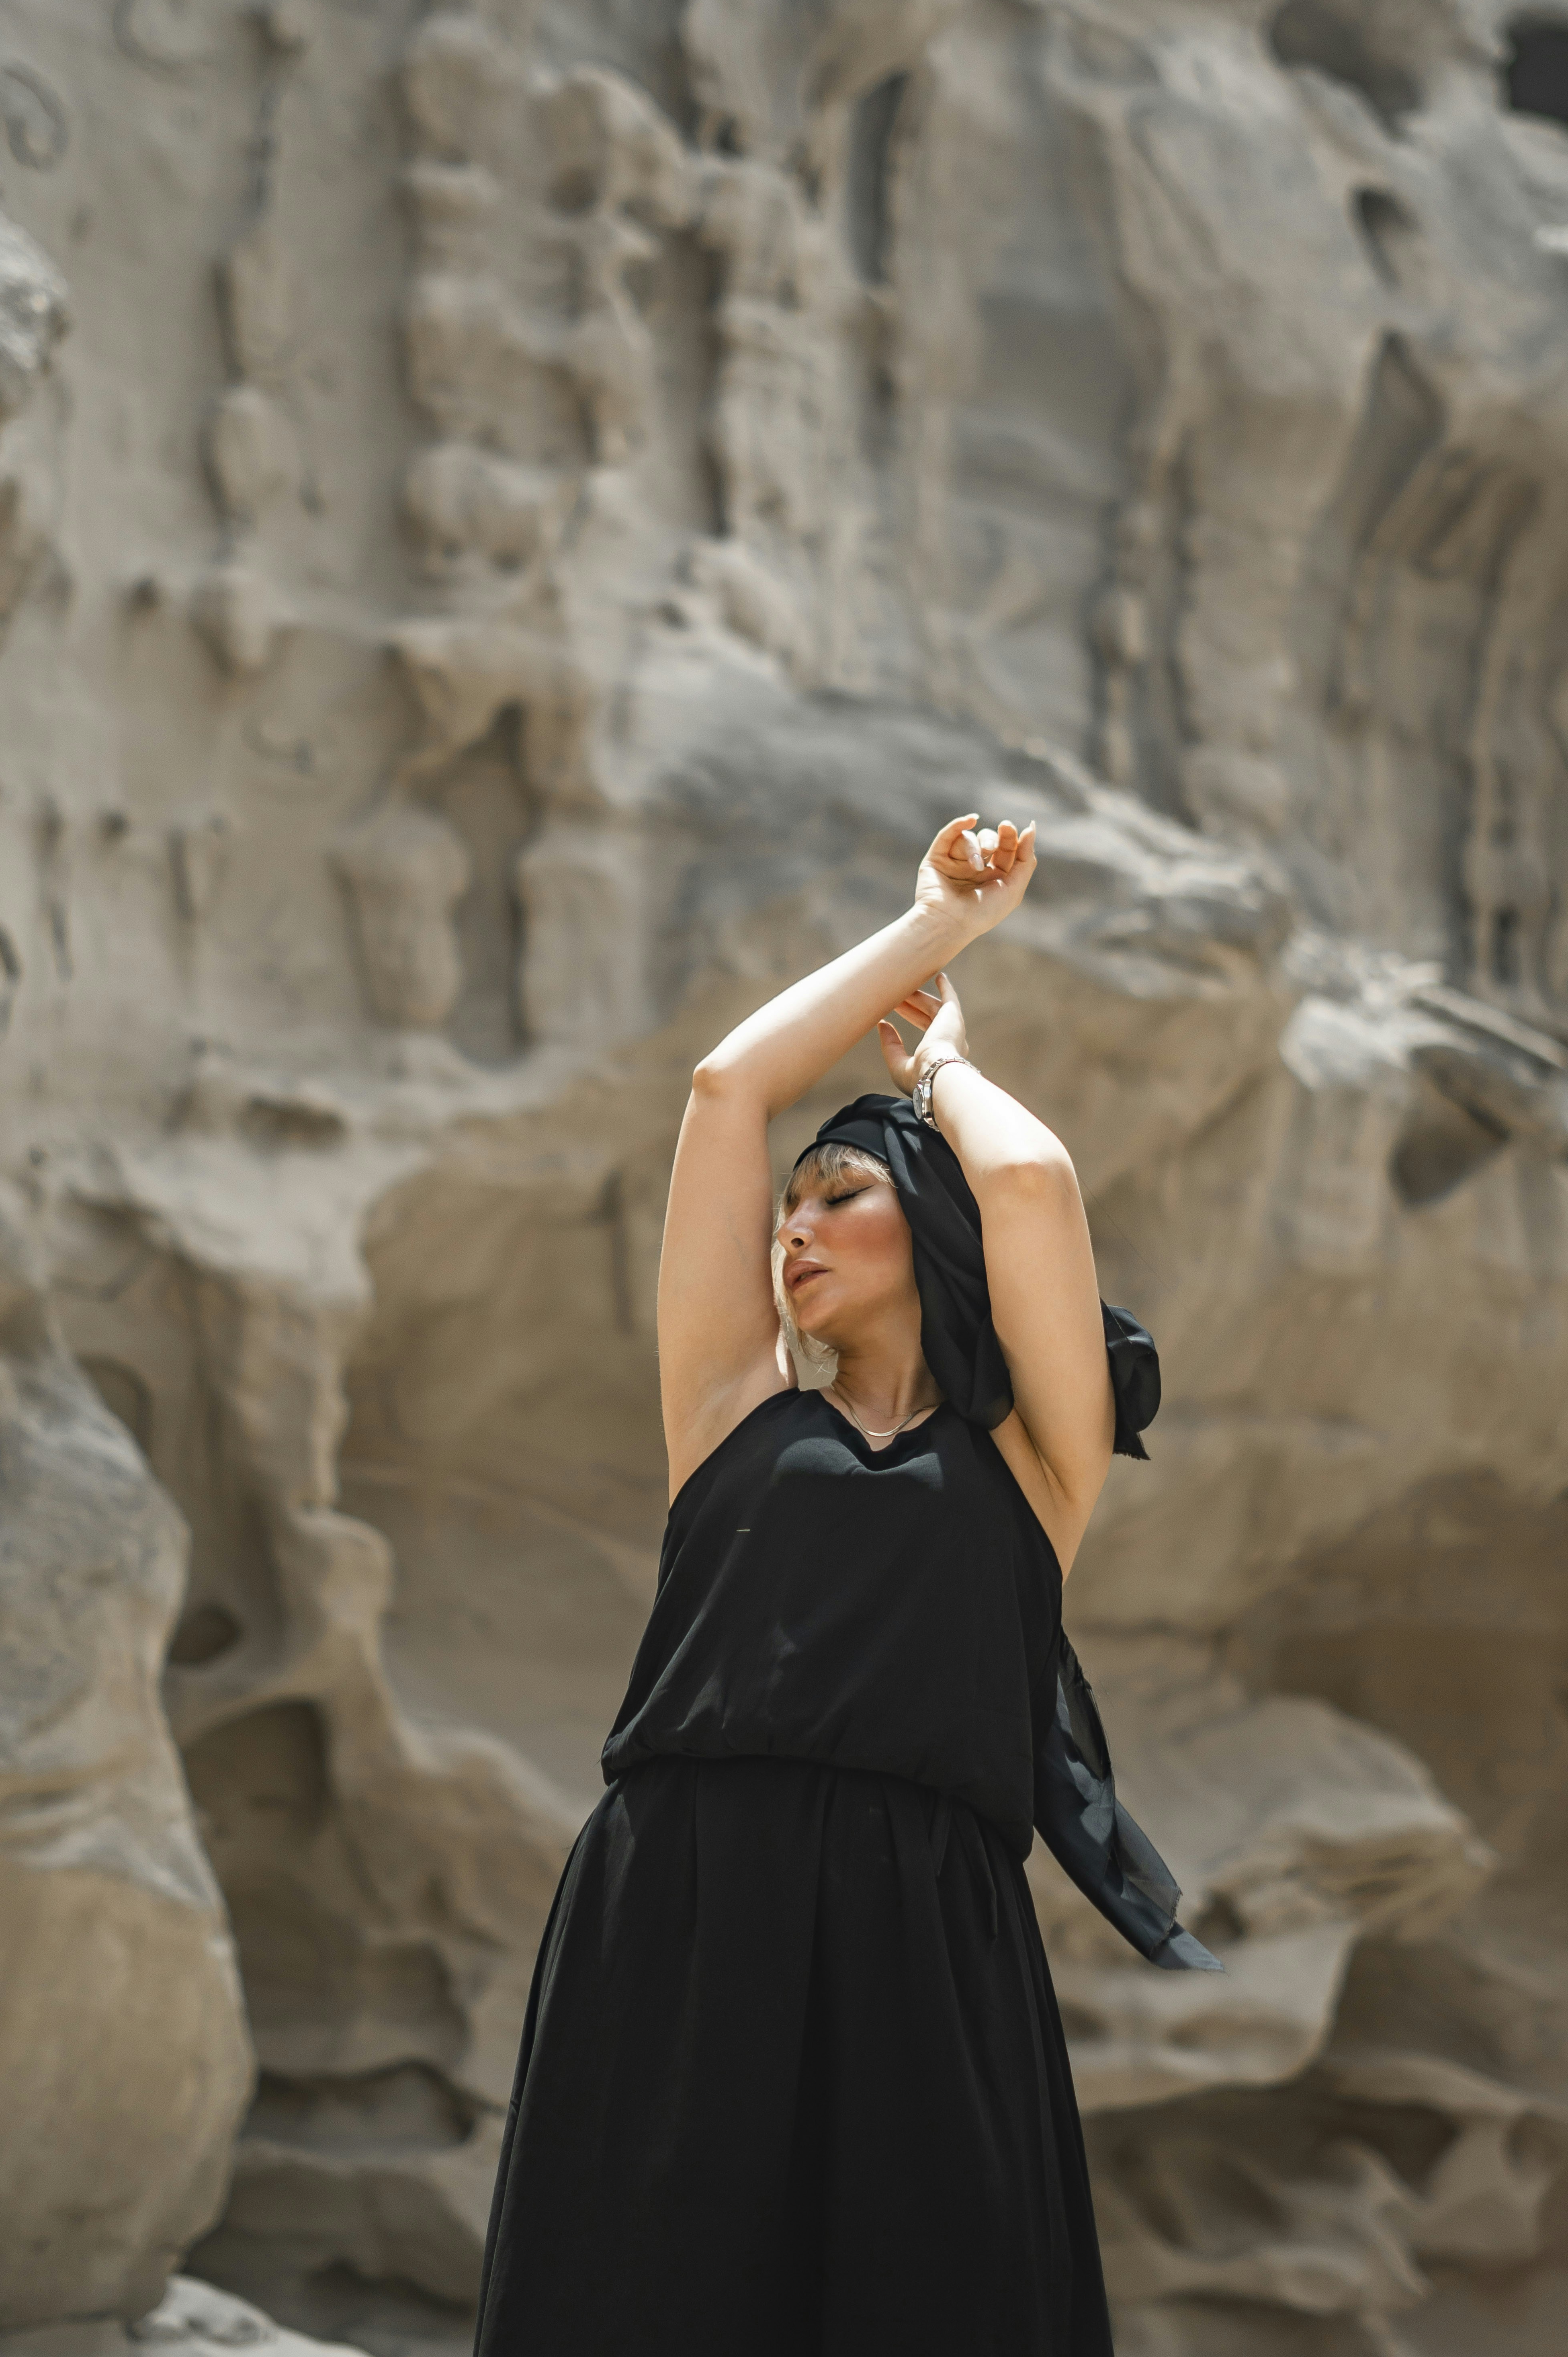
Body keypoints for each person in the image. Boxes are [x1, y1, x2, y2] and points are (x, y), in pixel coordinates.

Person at [473, 815, 1216, 2357]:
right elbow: (725, 1088)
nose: (793, 1229)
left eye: (836, 1197)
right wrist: (932, 926)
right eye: (789, 1207)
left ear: (920, 1229)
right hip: (682, 1903)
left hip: (924, 1939)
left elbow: (1032, 1186)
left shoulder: (1036, 1465)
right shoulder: (731, 1407)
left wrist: (937, 1063)